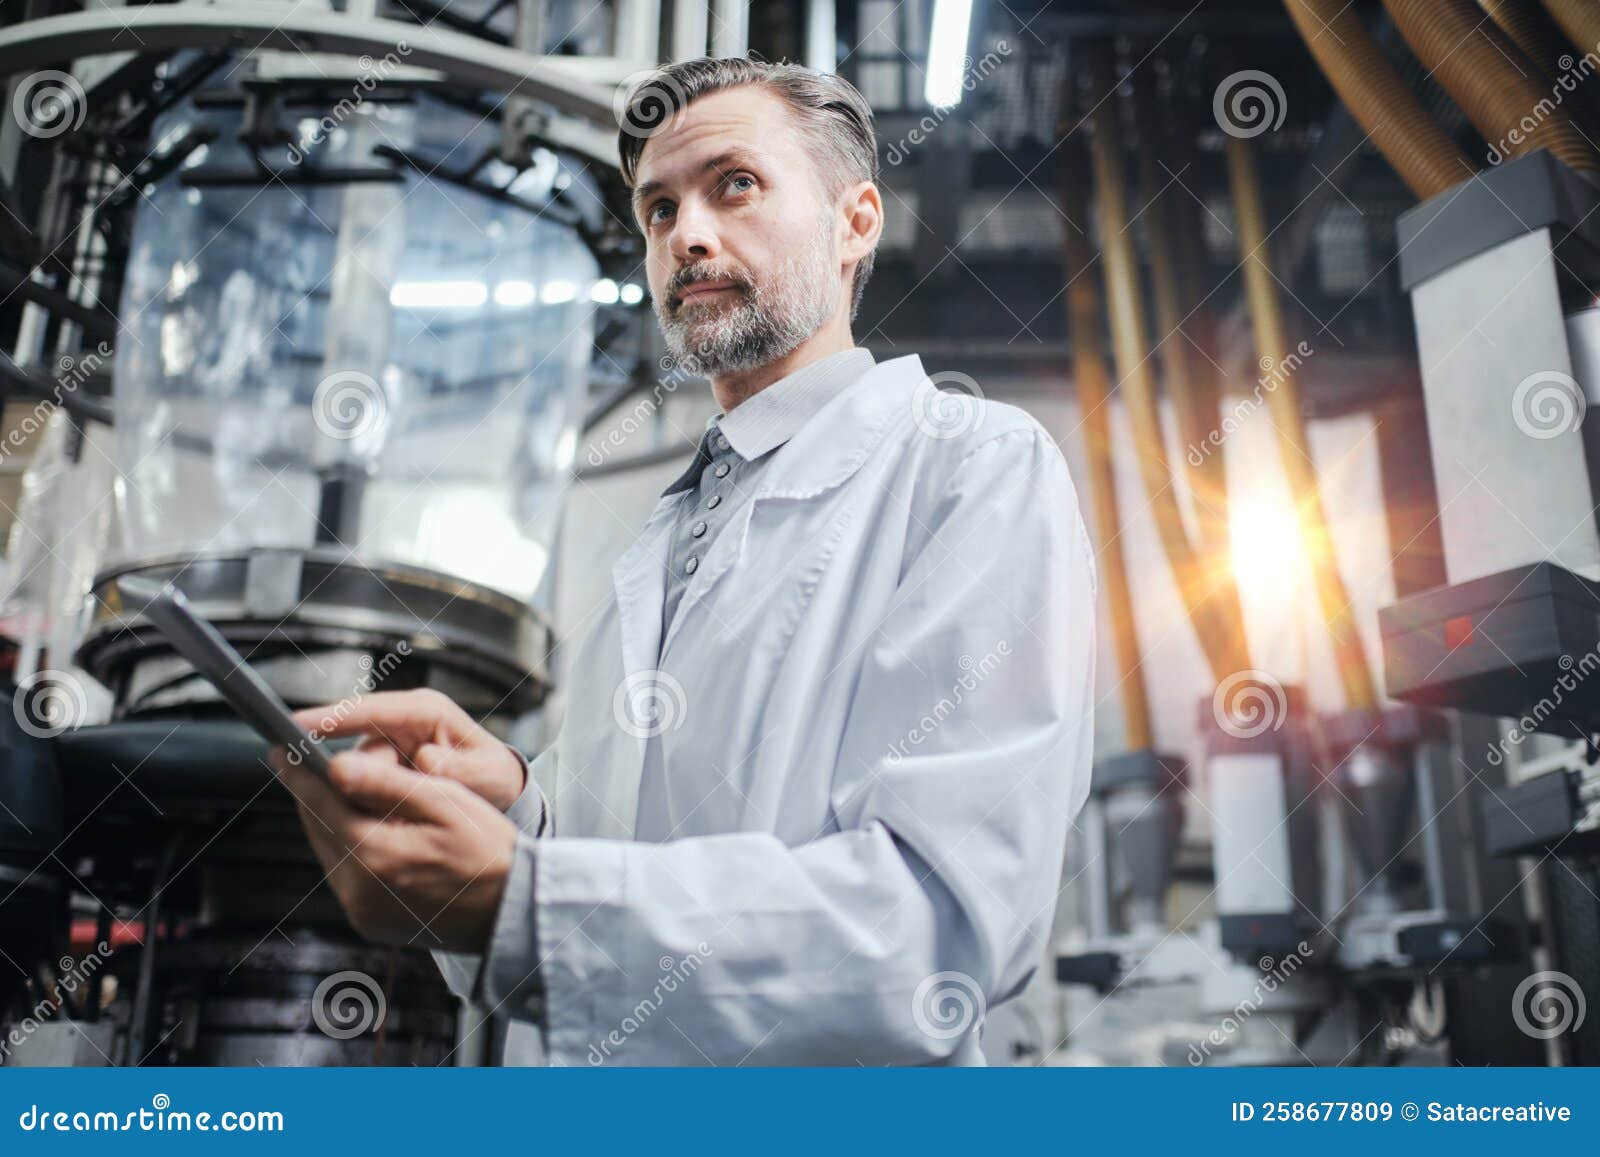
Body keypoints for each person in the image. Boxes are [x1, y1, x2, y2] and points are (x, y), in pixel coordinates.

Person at [274, 57, 1096, 1065]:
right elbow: (631, 860)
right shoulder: (664, 538)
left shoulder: (970, 467)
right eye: (658, 210)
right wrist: (514, 804)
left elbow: (939, 933)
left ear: (856, 222)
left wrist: (529, 898)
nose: (687, 236)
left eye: (734, 185)